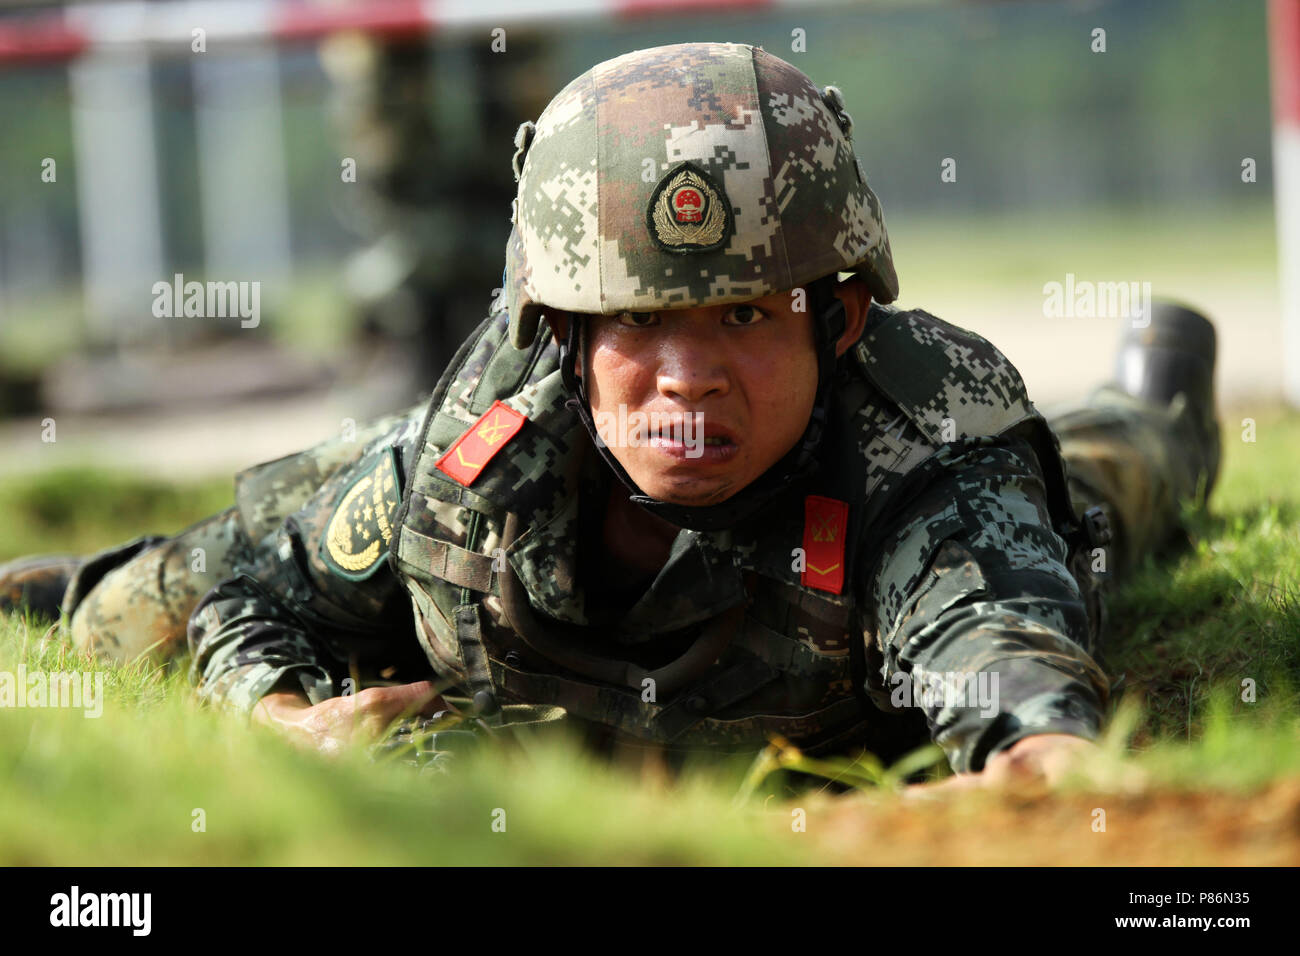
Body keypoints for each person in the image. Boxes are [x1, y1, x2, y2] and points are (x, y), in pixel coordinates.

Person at [0, 42, 1220, 789]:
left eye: (743, 317)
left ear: (834, 323)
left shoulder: (929, 463)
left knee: (1100, 482)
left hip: (999, 482)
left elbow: (1005, 664)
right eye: (637, 324)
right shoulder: (482, 440)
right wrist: (275, 720)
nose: (685, 376)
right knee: (135, 602)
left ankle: (1158, 395)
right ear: (564, 338)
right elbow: (258, 594)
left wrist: (1033, 760)